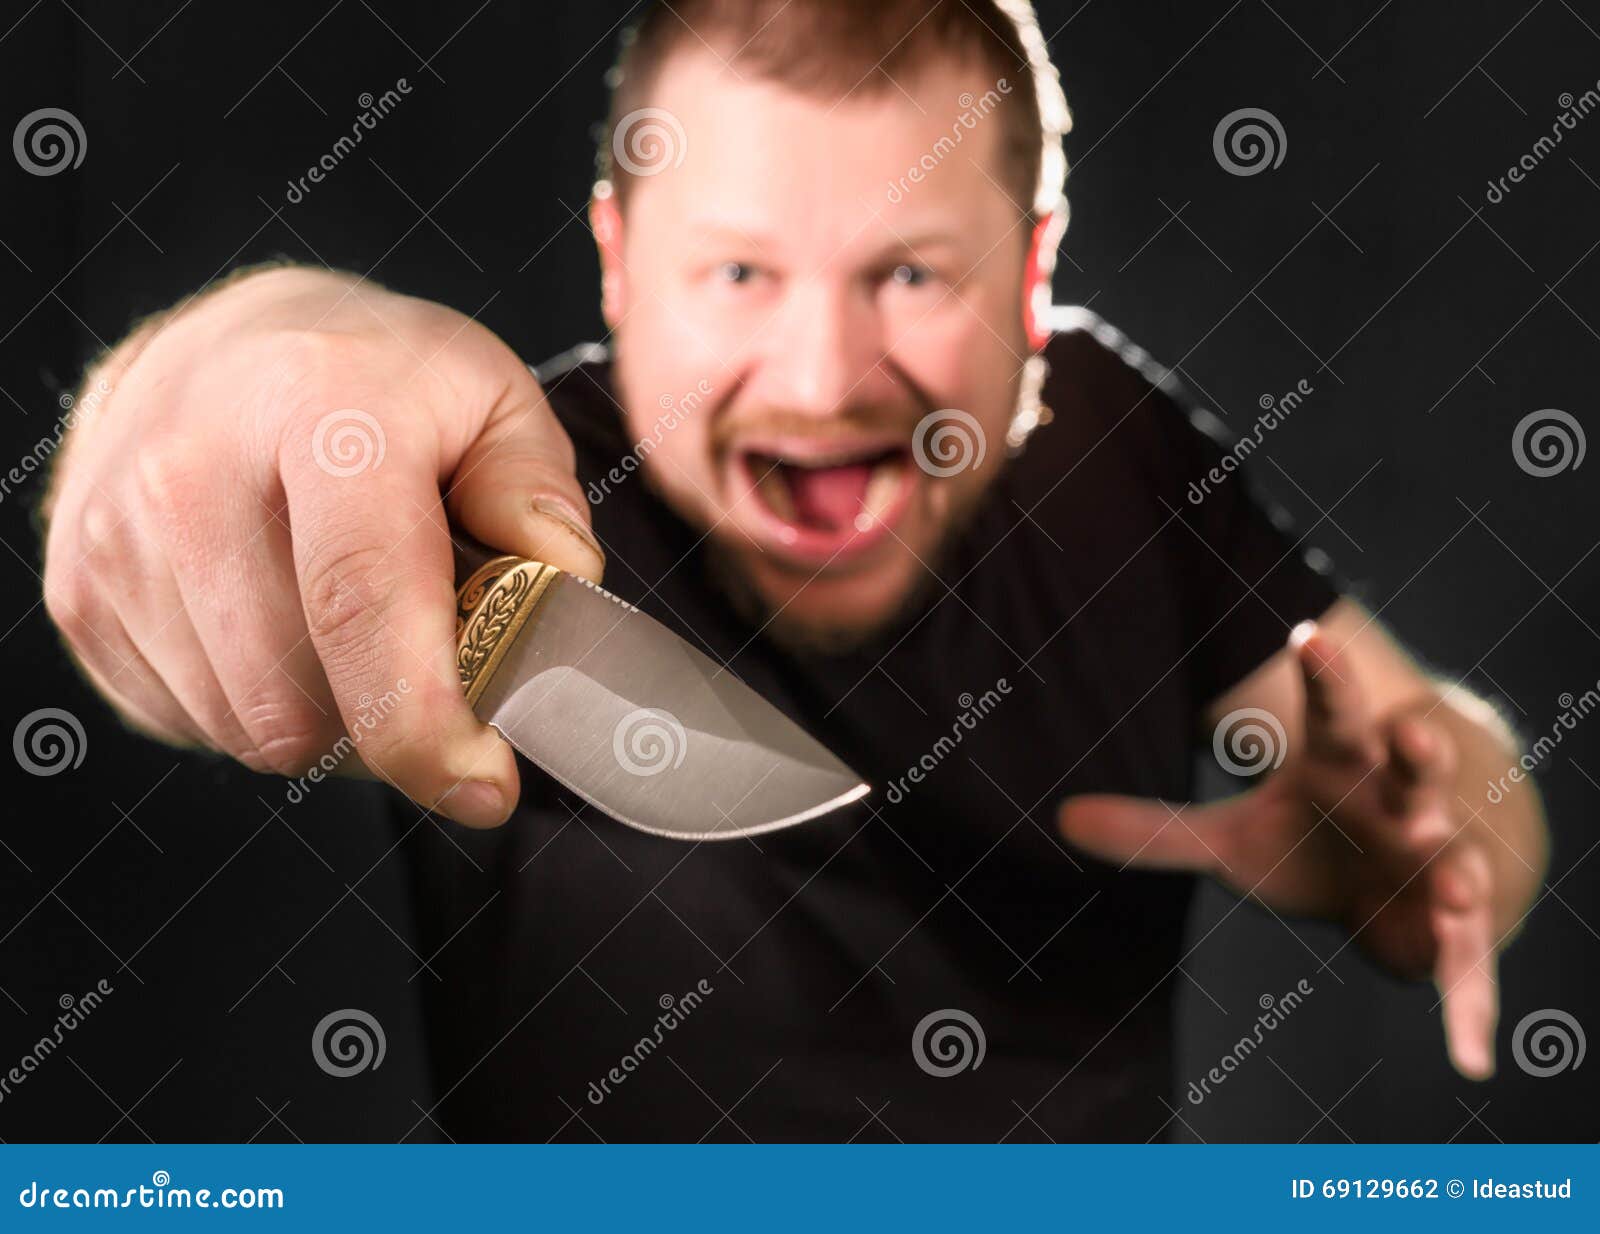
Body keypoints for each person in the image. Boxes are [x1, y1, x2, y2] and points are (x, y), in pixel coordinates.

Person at [39, 0, 1545, 1140]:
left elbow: (1455, 792)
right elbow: (190, 470)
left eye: (912, 272)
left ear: (1033, 274)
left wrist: (1425, 833)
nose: (824, 379)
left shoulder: (1120, 449)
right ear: (620, 262)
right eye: (741, 271)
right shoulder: (490, 494)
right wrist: (239, 386)